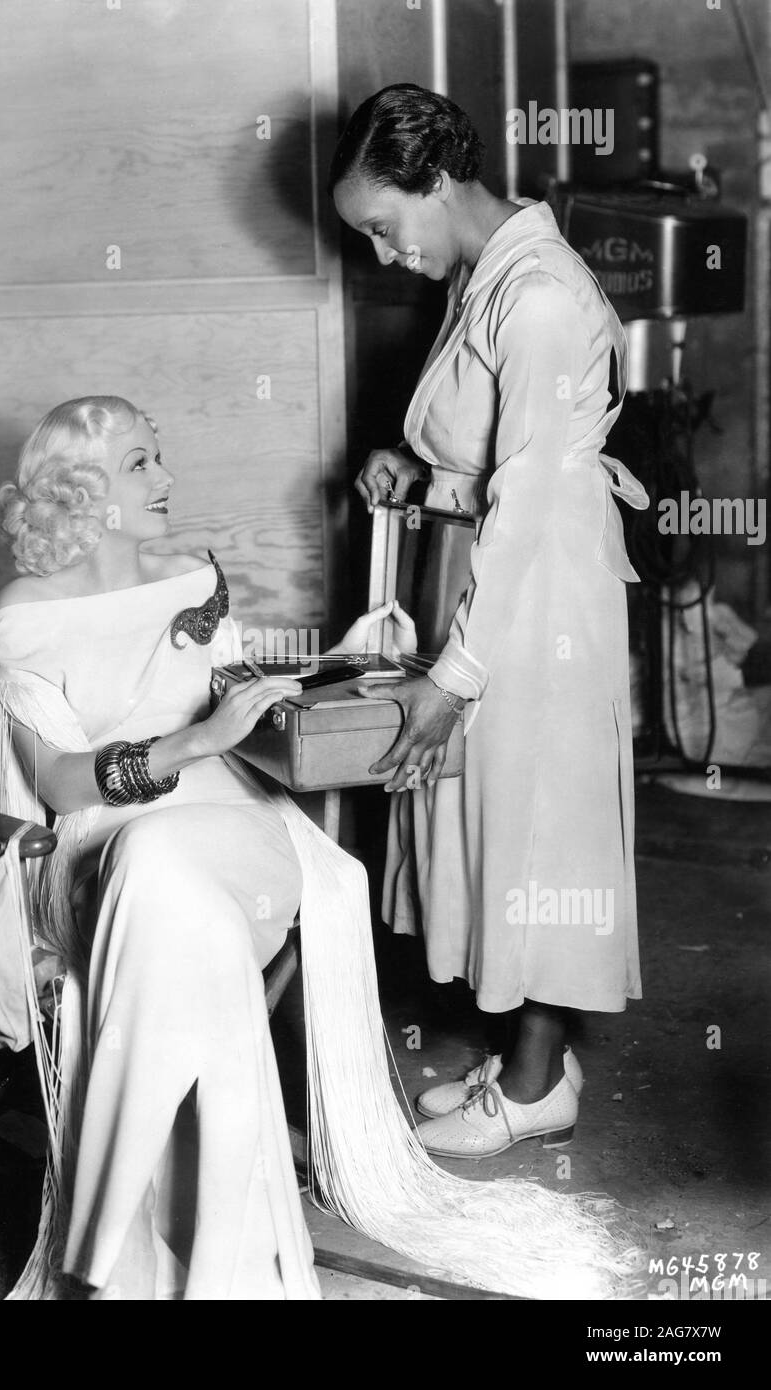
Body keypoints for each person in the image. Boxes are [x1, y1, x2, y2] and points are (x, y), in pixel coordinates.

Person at [0, 394, 416, 1299]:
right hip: (100, 851)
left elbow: (241, 699)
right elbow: (60, 782)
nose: (168, 479)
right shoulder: (26, 614)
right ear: (82, 487)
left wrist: (341, 666)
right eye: (141, 462)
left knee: (172, 873)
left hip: (238, 831)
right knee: (161, 879)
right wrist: (191, 744)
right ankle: (233, 1271)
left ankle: (96, 1260)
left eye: (158, 457)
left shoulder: (193, 573)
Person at [329, 85, 648, 1158]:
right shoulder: (484, 271)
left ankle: (528, 1090)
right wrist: (417, 475)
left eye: (382, 225)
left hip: (539, 594)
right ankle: (530, 1057)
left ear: (436, 183)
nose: (381, 255)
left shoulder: (540, 295)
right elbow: (492, 456)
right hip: (499, 571)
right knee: (501, 822)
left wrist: (452, 676)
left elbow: (530, 503)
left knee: (539, 823)